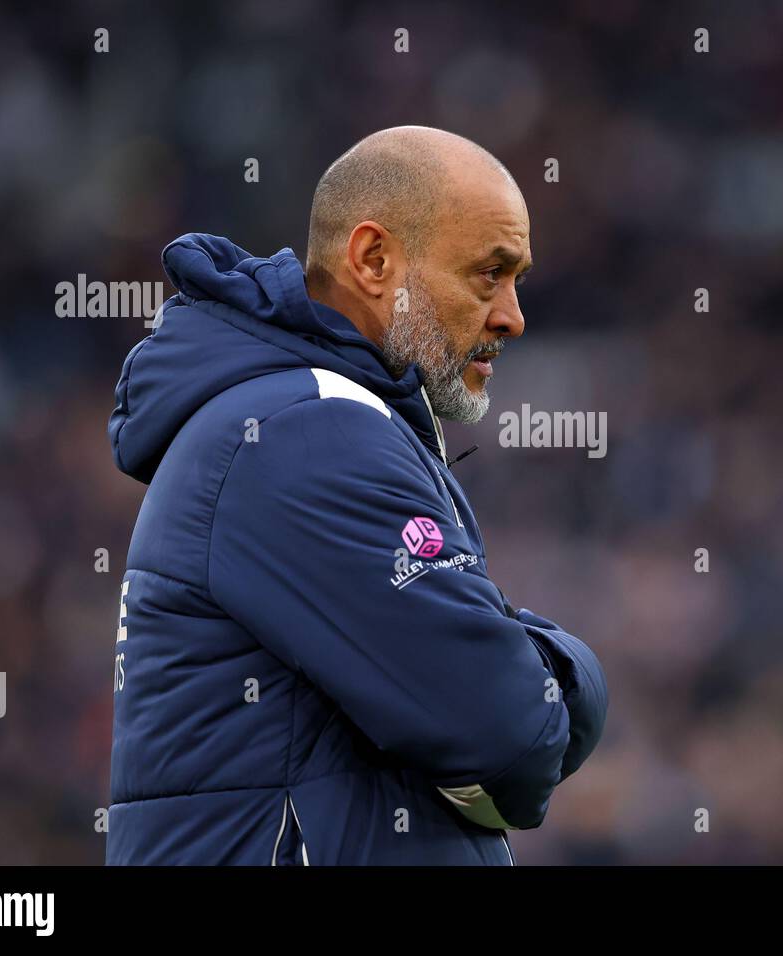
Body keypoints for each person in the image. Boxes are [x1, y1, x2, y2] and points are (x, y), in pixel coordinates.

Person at [105, 126, 608, 865]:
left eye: (518, 280)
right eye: (487, 274)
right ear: (374, 260)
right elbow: (511, 734)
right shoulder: (304, 430)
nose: (512, 316)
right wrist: (569, 671)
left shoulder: (303, 417)